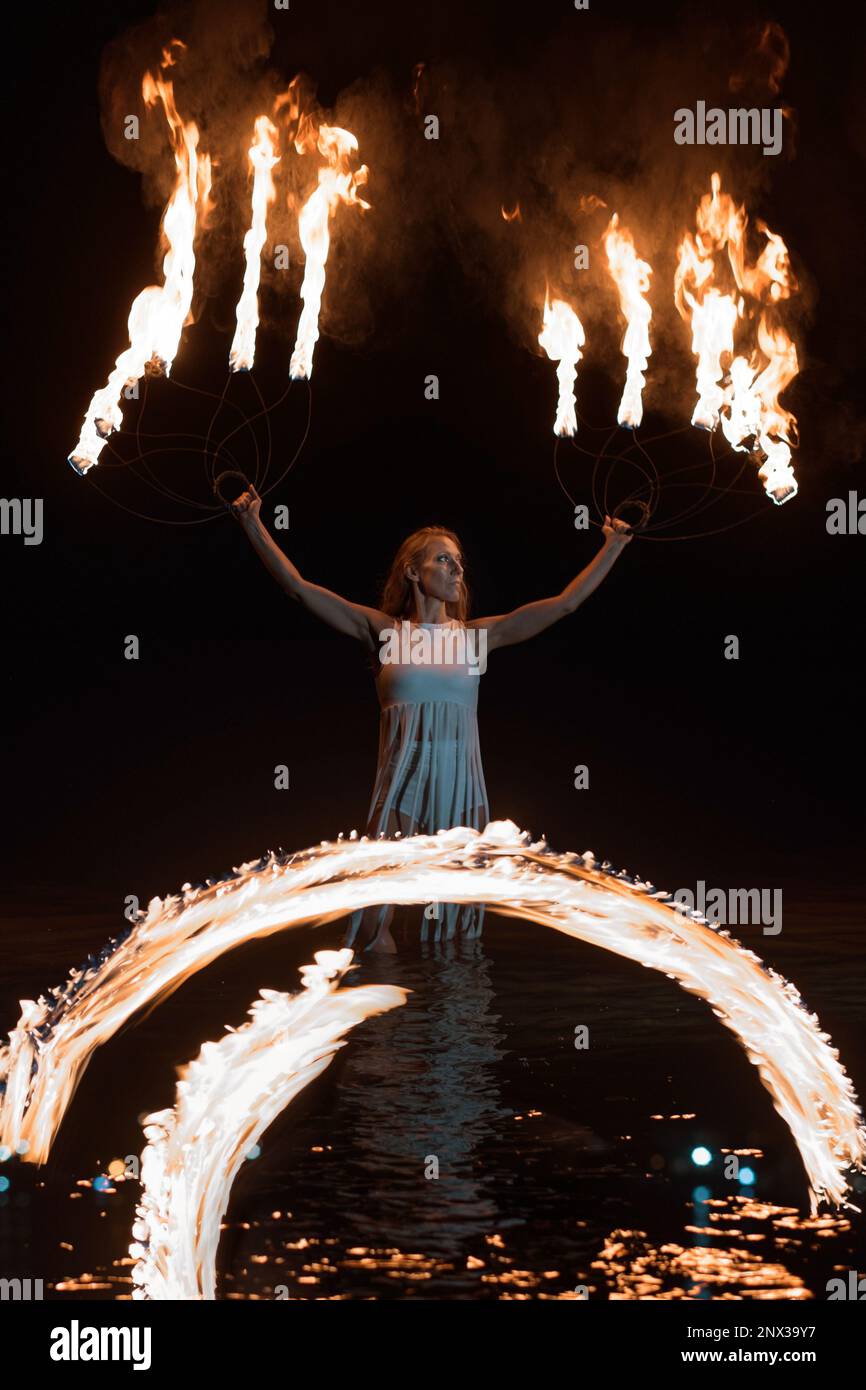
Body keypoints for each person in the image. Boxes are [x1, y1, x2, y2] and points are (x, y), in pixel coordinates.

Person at [231, 485, 632, 952]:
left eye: (458, 560)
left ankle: (448, 1020)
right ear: (412, 571)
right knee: (371, 930)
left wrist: (614, 545)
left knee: (454, 939)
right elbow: (299, 589)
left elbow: (566, 603)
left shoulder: (475, 637)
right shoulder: (385, 633)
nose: (456, 567)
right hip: (400, 792)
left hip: (461, 794)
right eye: (443, 559)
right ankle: (388, 1022)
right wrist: (253, 524)